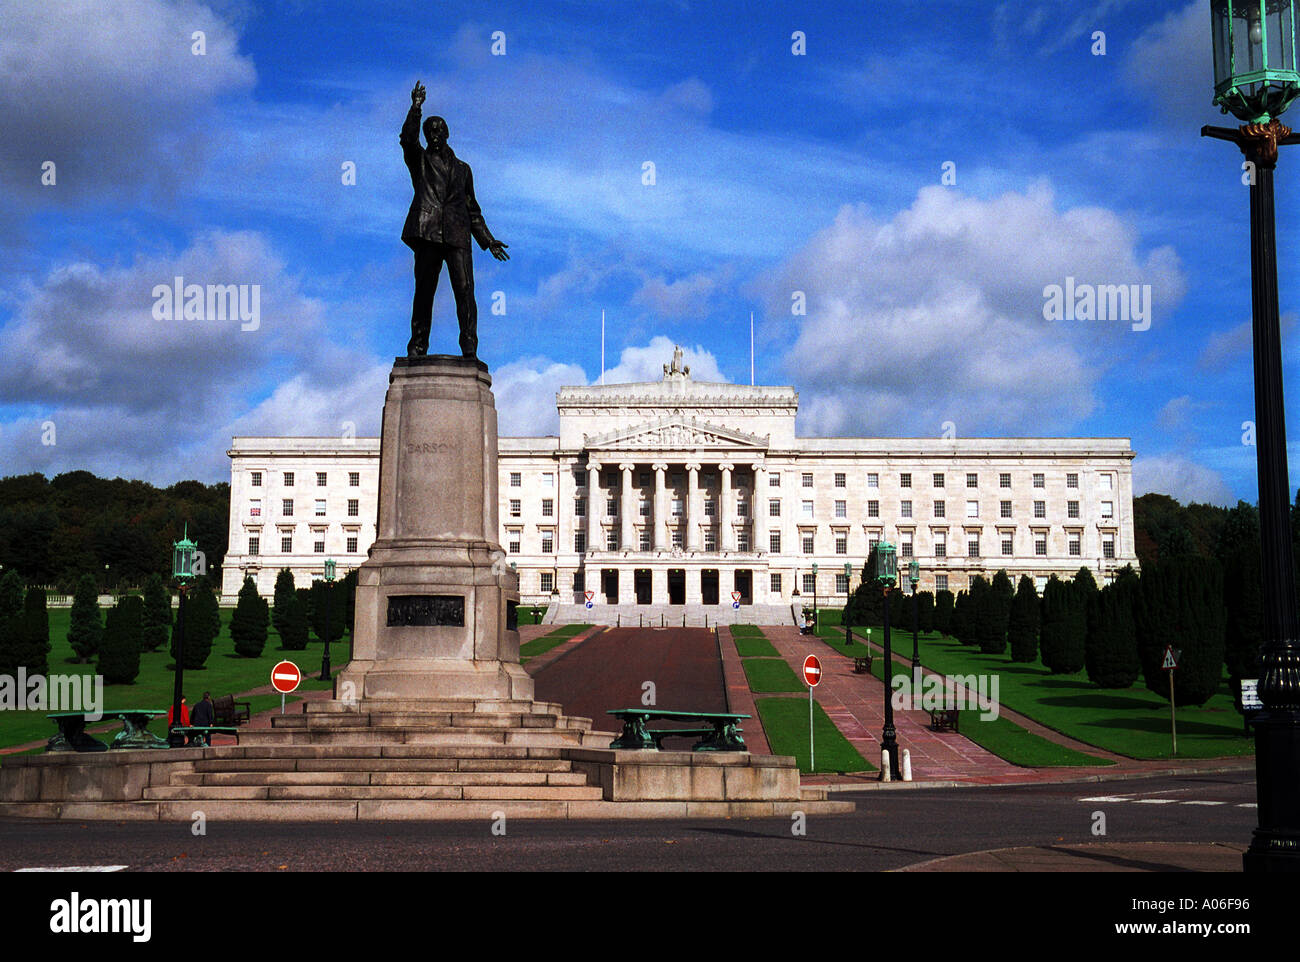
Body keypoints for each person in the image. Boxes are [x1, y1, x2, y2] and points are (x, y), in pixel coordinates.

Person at [400, 80, 509, 359]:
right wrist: (416, 109)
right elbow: (407, 139)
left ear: (447, 133)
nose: (434, 133)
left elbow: (472, 208)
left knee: (465, 292)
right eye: (430, 130)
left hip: (458, 235)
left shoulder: (463, 169)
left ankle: (469, 346)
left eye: (439, 129)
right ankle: (418, 345)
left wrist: (488, 239)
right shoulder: (419, 160)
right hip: (427, 232)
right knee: (424, 293)